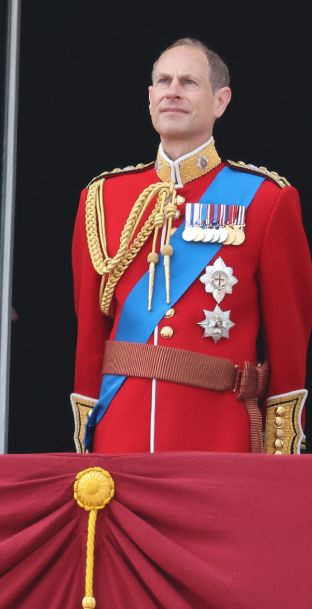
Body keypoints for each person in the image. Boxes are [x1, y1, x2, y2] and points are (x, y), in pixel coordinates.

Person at [71, 38, 312, 454]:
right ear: (150, 98)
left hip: (217, 438)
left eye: (189, 82)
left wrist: (279, 455)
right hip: (119, 433)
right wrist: (87, 432)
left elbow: (289, 342)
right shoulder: (103, 197)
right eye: (163, 81)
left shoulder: (266, 200)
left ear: (221, 101)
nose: (173, 90)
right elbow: (90, 334)